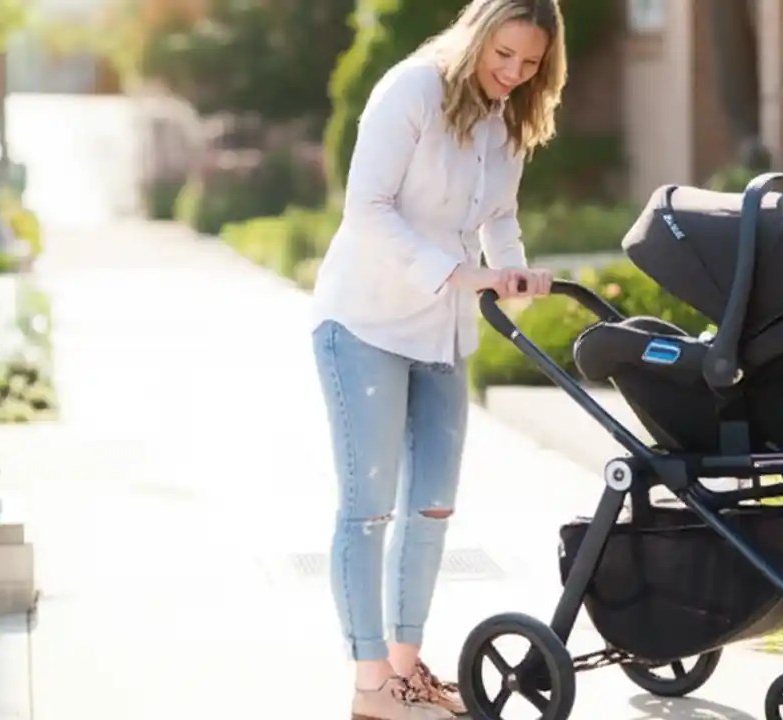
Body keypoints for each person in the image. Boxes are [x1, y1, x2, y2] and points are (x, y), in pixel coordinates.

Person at [308, 1, 566, 717]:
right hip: (364, 324)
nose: (514, 73)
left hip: (443, 336)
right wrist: (455, 273)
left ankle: (404, 667)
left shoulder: (508, 116)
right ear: (478, 36)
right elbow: (366, 207)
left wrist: (513, 272)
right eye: (504, 55)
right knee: (367, 513)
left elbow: (500, 214)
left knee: (431, 508)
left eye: (531, 63)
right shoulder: (411, 90)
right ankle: (369, 688)